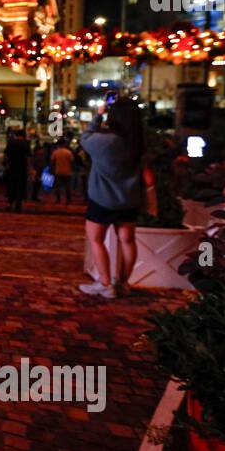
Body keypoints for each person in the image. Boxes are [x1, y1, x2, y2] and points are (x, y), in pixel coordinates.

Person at [77, 97, 145, 299]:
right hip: (129, 198)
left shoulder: (103, 142)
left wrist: (98, 115)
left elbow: (85, 137)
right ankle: (123, 282)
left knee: (96, 239)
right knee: (127, 240)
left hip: (102, 198)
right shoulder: (136, 143)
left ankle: (105, 283)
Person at [4, 128, 30, 212]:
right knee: (20, 186)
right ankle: (18, 205)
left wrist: (6, 165)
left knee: (11, 186)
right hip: (22, 168)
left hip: (12, 167)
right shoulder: (25, 144)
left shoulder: (11, 143)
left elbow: (6, 155)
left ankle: (10, 204)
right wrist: (30, 168)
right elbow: (28, 157)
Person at [51, 139, 75, 204]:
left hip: (58, 171)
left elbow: (53, 162)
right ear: (64, 144)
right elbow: (72, 162)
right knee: (67, 187)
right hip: (67, 171)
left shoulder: (55, 152)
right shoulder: (68, 152)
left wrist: (52, 170)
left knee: (57, 187)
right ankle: (68, 199)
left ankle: (58, 199)